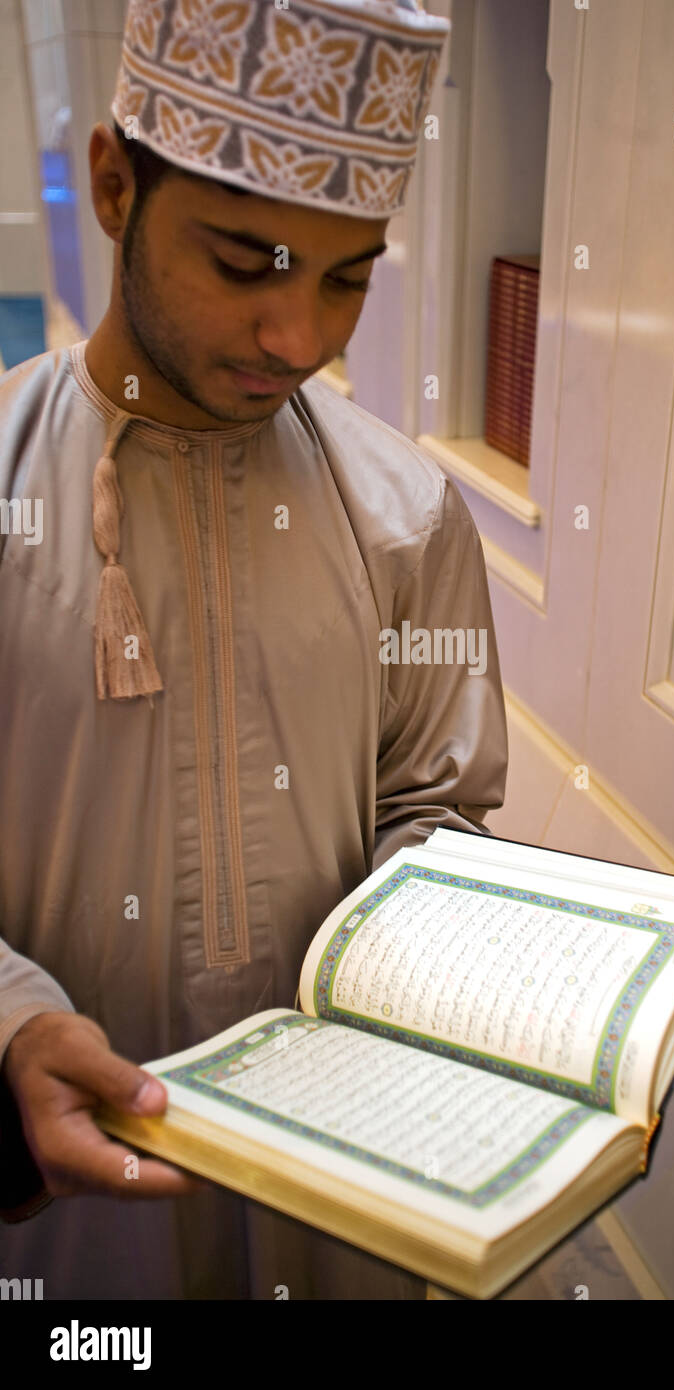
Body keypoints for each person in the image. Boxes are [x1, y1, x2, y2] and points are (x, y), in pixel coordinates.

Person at [0, 0, 508, 1299]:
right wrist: (12, 1022)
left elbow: (433, 803)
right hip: (66, 1211)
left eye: (347, 277)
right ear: (116, 184)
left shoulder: (407, 511)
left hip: (351, 1184)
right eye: (244, 263)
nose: (303, 338)